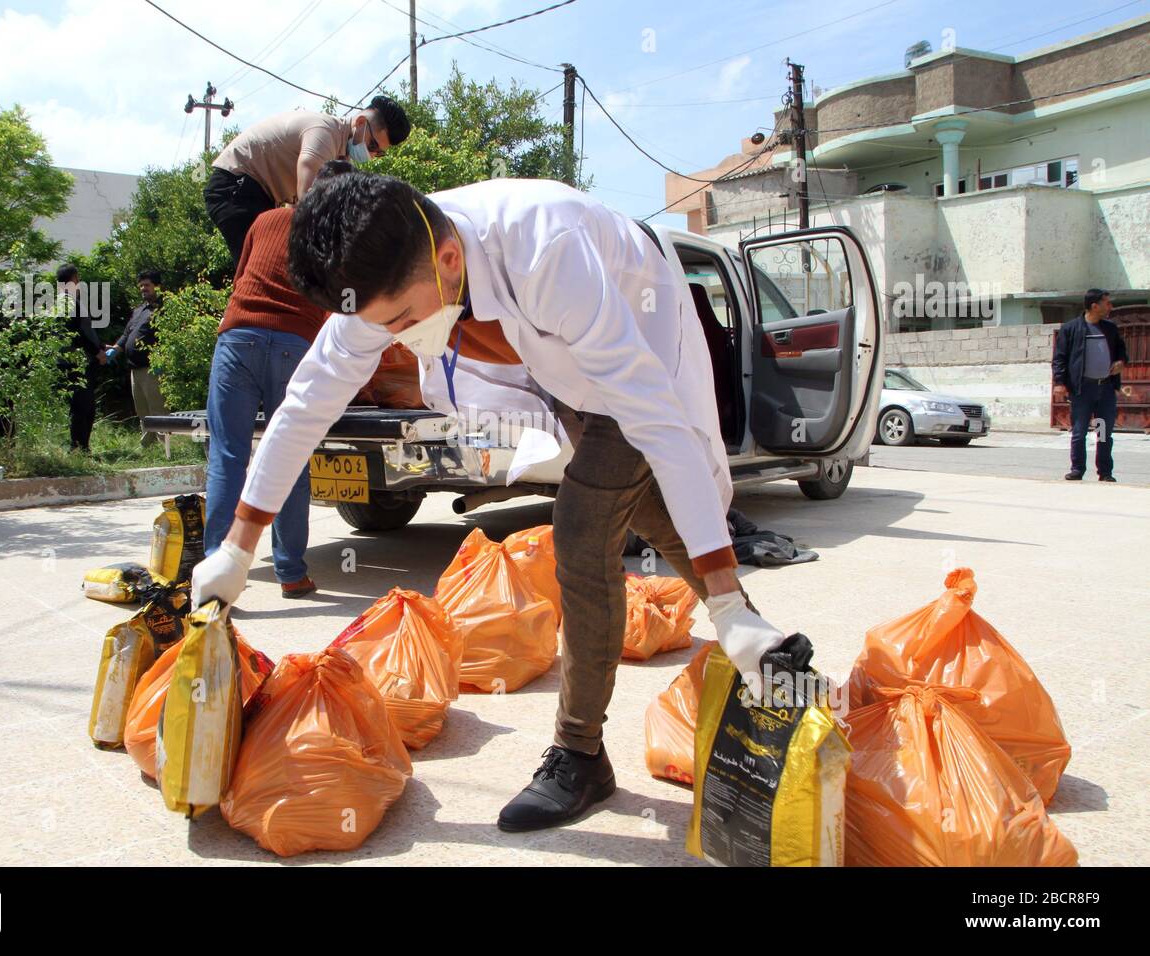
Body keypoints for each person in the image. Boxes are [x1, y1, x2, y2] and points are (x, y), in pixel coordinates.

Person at [190, 167, 797, 832]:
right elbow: (307, 402)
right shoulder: (386, 271)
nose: (395, 336)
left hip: (635, 329)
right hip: (557, 363)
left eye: (402, 320)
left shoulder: (547, 250)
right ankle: (768, 656)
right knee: (646, 508)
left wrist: (726, 598)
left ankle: (580, 750)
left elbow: (653, 415)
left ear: (449, 259)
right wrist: (237, 549)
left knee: (584, 525)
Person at [202, 200, 331, 599]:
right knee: (289, 455)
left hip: (240, 338)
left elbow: (242, 277)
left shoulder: (264, 218)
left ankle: (214, 574)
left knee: (228, 455)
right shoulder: (336, 233)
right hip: (295, 344)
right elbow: (336, 304)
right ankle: (291, 572)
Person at [204, 96, 410, 267]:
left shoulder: (340, 156)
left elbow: (296, 211)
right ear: (361, 123)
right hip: (236, 186)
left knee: (278, 262)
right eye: (372, 144)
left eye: (379, 152)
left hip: (259, 195)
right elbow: (308, 204)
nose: (372, 154)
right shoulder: (325, 133)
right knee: (259, 268)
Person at [1053, 288, 1129, 482]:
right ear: (1095, 306)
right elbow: (1059, 358)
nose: (1110, 306)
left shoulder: (1110, 328)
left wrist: (1121, 362)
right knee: (1079, 432)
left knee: (1103, 432)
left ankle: (1104, 472)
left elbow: (1121, 351)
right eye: (1107, 303)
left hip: (1105, 389)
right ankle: (1077, 469)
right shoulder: (1071, 329)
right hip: (1082, 390)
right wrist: (1060, 382)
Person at [111, 269, 166, 445]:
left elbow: (169, 336)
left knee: (158, 409)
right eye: (141, 285)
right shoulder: (139, 310)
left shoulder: (164, 308)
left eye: (147, 285)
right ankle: (149, 446)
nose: (143, 288)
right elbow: (127, 334)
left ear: (157, 286)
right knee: (142, 410)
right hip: (135, 369)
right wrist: (114, 349)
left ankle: (166, 446)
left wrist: (162, 360)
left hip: (153, 368)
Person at [57, 263, 107, 451]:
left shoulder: (63, 302)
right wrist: (98, 353)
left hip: (73, 362)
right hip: (77, 364)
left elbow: (84, 332)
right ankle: (79, 448)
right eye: (78, 279)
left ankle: (81, 447)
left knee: (83, 407)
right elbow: (78, 335)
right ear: (73, 280)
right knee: (83, 408)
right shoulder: (69, 302)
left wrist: (101, 346)